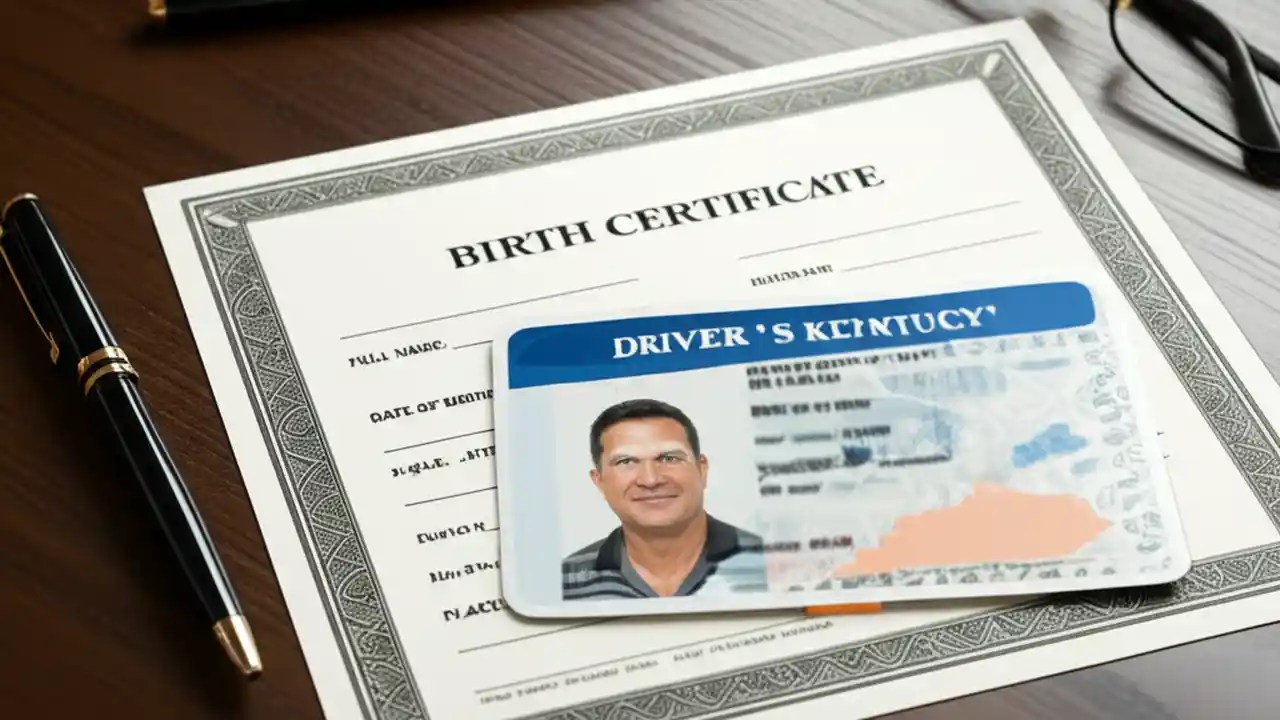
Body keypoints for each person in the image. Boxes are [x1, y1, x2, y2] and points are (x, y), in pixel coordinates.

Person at [562, 398, 765, 600]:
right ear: (599, 482)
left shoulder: (774, 566)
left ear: (701, 470)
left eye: (669, 458)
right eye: (626, 461)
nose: (651, 480)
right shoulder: (566, 583)